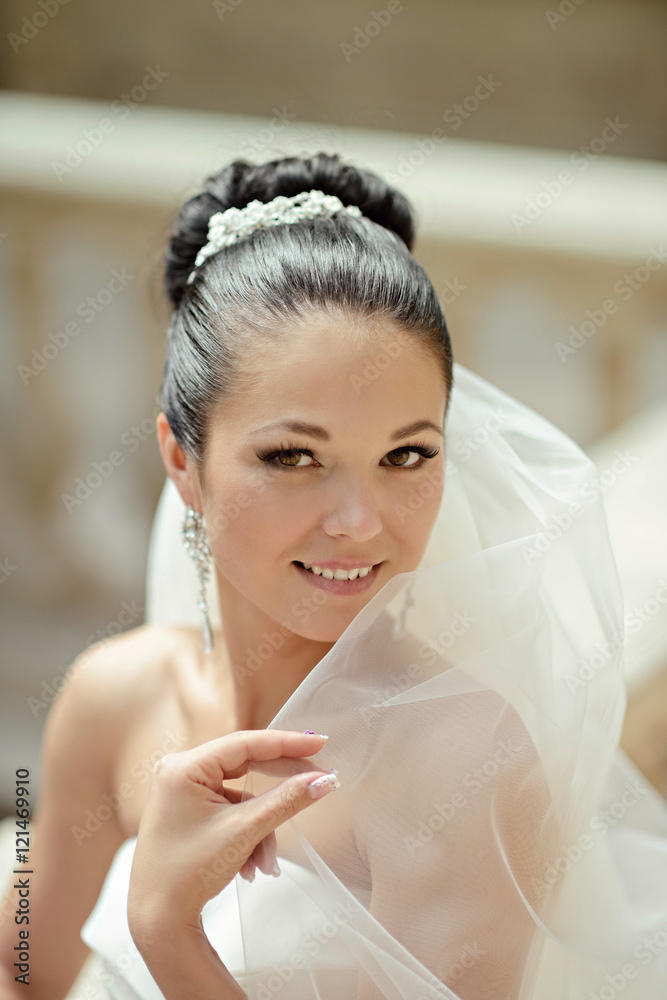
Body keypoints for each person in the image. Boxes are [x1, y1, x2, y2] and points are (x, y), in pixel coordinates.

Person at [2, 153, 667, 1000]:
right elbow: (23, 964)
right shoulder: (111, 696)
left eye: (406, 454)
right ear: (183, 463)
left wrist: (169, 933)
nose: (360, 520)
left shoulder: (461, 763)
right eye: (293, 456)